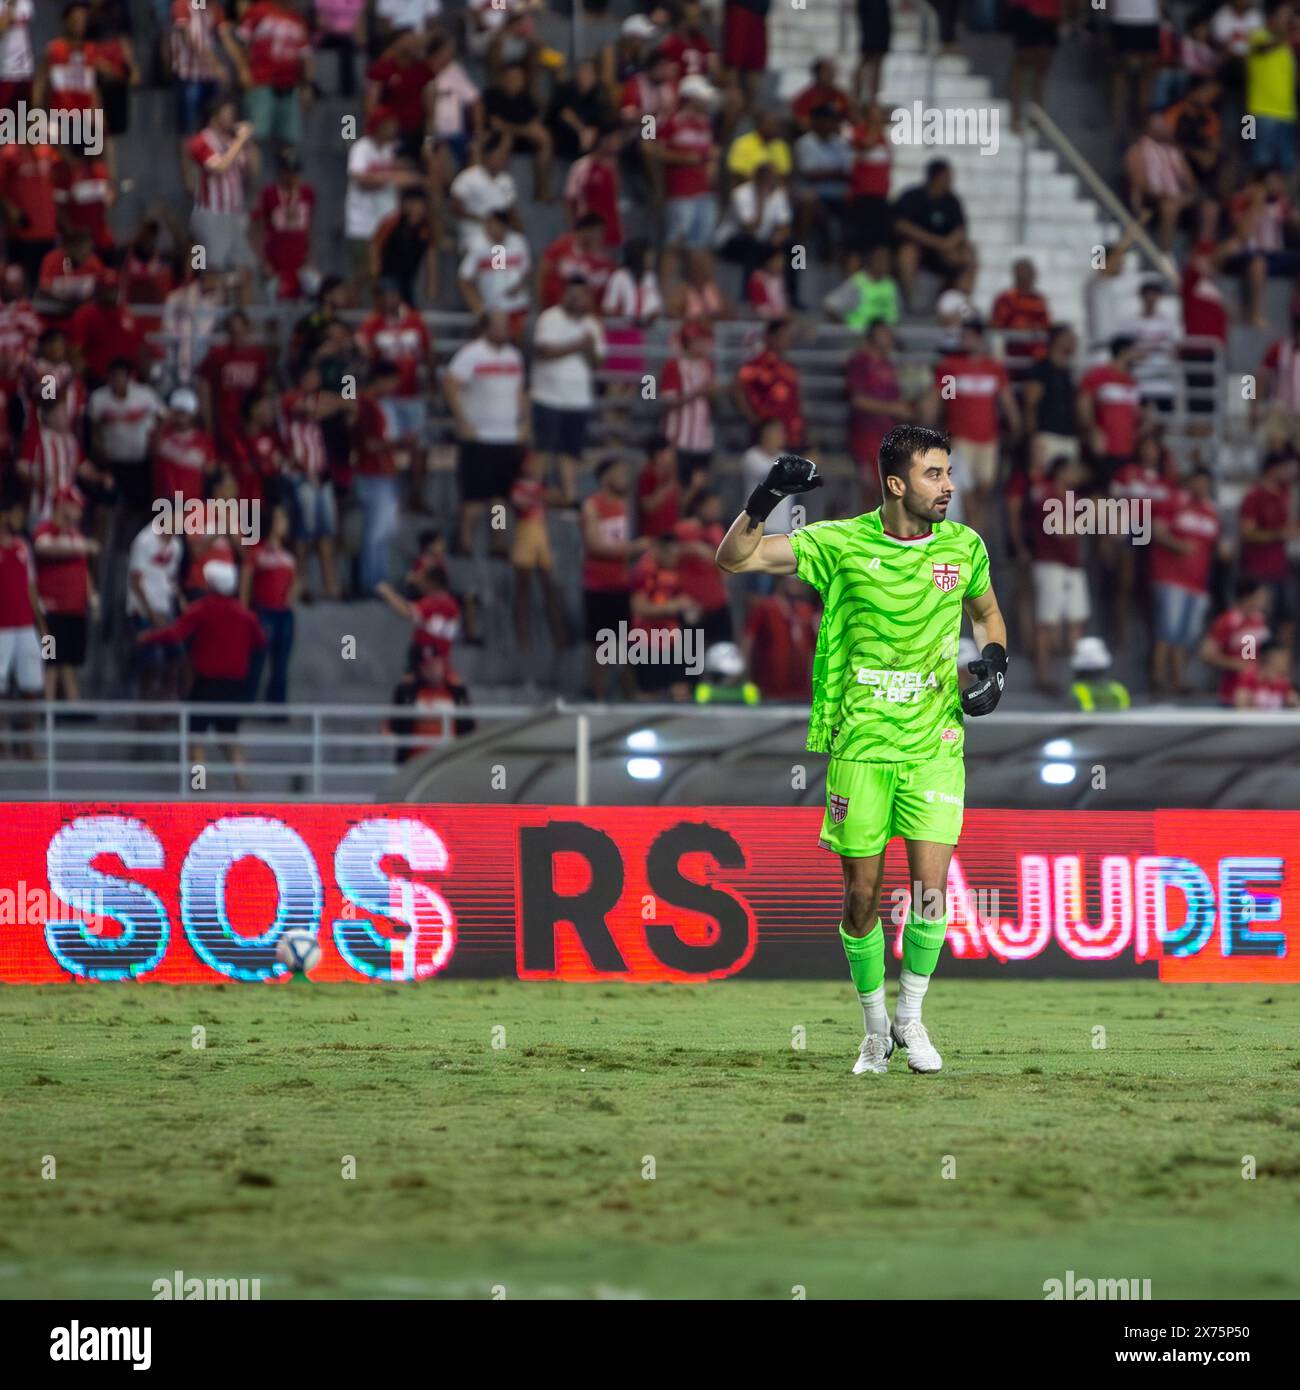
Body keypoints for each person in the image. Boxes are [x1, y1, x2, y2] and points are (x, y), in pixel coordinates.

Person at [716, 425, 1008, 1076]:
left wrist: (994, 663)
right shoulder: (840, 543)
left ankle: (913, 1016)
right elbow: (735, 559)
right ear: (898, 483)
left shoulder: (964, 547)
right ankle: (874, 1028)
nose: (951, 485)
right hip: (861, 745)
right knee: (862, 895)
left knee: (932, 892)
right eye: (936, 474)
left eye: (951, 472)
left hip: (935, 742)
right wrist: (764, 496)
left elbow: (987, 613)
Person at [138, 557, 267, 791]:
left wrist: (148, 636)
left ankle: (200, 785)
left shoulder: (201, 610)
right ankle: (242, 782)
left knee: (194, 735)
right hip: (235, 685)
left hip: (206, 684)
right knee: (229, 735)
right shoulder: (246, 616)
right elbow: (260, 641)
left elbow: (175, 634)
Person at [442, 310, 528, 555]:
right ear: (486, 327)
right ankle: (465, 540)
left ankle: (497, 541)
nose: (504, 330)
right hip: (479, 437)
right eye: (499, 325)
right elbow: (450, 385)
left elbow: (519, 391)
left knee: (500, 497)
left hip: (507, 436)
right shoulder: (471, 354)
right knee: (474, 497)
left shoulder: (514, 356)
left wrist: (523, 422)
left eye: (506, 325)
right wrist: (463, 420)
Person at [923, 318, 1019, 538]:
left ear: (980, 339)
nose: (966, 340)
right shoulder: (951, 367)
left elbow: (1006, 401)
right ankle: (963, 538)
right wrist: (930, 422)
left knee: (983, 493)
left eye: (970, 336)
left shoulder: (994, 369)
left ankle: (976, 539)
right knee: (966, 493)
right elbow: (941, 398)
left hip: (989, 439)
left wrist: (1015, 424)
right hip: (961, 438)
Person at [530, 277, 605, 504]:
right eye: (573, 294)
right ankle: (531, 493)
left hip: (577, 400)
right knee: (542, 448)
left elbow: (596, 363)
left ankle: (569, 496)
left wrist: (589, 347)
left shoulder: (593, 325)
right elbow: (543, 351)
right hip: (547, 396)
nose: (577, 299)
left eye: (582, 295)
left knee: (570, 451)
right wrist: (577, 345)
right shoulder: (550, 317)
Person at [1151, 465, 1223, 696]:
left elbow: (1215, 545)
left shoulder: (1211, 511)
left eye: (1206, 483)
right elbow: (1156, 531)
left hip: (1198, 582)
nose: (1202, 486)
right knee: (1167, 631)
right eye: (1198, 481)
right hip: (1171, 576)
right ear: (1189, 481)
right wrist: (1178, 545)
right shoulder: (1173, 501)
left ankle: (1178, 680)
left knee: (1185, 635)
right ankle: (1158, 678)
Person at [581, 455, 644, 699]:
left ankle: (630, 694)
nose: (624, 478)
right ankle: (598, 695)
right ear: (606, 476)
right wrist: (633, 548)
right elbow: (594, 545)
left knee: (627, 643)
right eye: (619, 473)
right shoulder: (592, 505)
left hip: (621, 584)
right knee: (599, 645)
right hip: (598, 585)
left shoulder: (625, 506)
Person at [33, 483, 96, 701]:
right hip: (51, 609)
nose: (79, 511)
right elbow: (43, 547)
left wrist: (92, 597)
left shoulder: (76, 535)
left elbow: (83, 568)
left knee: (68, 660)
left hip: (74, 608)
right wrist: (84, 546)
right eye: (75, 506)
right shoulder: (45, 529)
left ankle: (73, 705)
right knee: (50, 660)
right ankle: (48, 709)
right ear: (63, 504)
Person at [892, 158, 976, 310]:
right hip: (920, 251)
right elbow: (901, 225)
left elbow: (960, 230)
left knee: (968, 254)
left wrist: (948, 245)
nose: (951, 180)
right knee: (908, 252)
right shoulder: (912, 197)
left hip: (943, 253)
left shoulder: (952, 201)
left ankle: (960, 302)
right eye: (948, 176)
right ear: (938, 177)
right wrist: (936, 243)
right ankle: (912, 301)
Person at [508, 449, 568, 655]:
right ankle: (521, 639)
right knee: (522, 589)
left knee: (549, 586)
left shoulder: (540, 488)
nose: (537, 468)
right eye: (533, 463)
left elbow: (563, 499)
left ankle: (559, 636)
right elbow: (510, 506)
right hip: (525, 534)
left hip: (540, 535)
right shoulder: (517, 487)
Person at [848, 320, 911, 512]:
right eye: (884, 333)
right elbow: (857, 400)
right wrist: (893, 409)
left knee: (886, 492)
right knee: (870, 489)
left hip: (887, 436)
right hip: (866, 434)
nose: (889, 337)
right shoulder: (860, 362)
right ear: (873, 336)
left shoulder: (889, 365)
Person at [242, 503, 296, 704]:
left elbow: (296, 579)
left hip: (284, 613)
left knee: (281, 663)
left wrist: (293, 595)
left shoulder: (290, 555)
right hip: (263, 611)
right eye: (281, 519)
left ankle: (277, 708)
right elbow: (246, 581)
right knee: (257, 660)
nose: (285, 523)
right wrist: (244, 608)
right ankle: (246, 701)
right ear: (272, 523)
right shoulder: (258, 551)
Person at [1198, 578, 1272, 703]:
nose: (1264, 600)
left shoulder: (1260, 620)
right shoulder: (1227, 621)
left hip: (1256, 694)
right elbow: (1206, 654)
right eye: (1261, 596)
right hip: (1232, 692)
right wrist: (1236, 664)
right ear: (1248, 597)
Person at [1234, 639, 1300, 706]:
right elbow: (1241, 702)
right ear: (1270, 658)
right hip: (1253, 715)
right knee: (1243, 696)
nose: (1287, 662)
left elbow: (1294, 702)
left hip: (1275, 716)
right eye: (1283, 658)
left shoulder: (1284, 681)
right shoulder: (1250, 676)